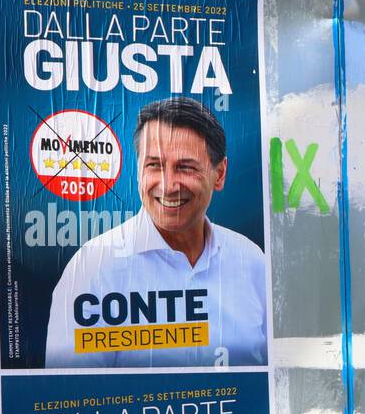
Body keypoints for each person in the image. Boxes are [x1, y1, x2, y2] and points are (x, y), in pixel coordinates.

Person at [44, 98, 267, 369]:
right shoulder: (92, 270)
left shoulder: (252, 262)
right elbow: (71, 397)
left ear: (219, 174)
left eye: (185, 167)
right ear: (137, 171)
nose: (168, 185)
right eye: (154, 165)